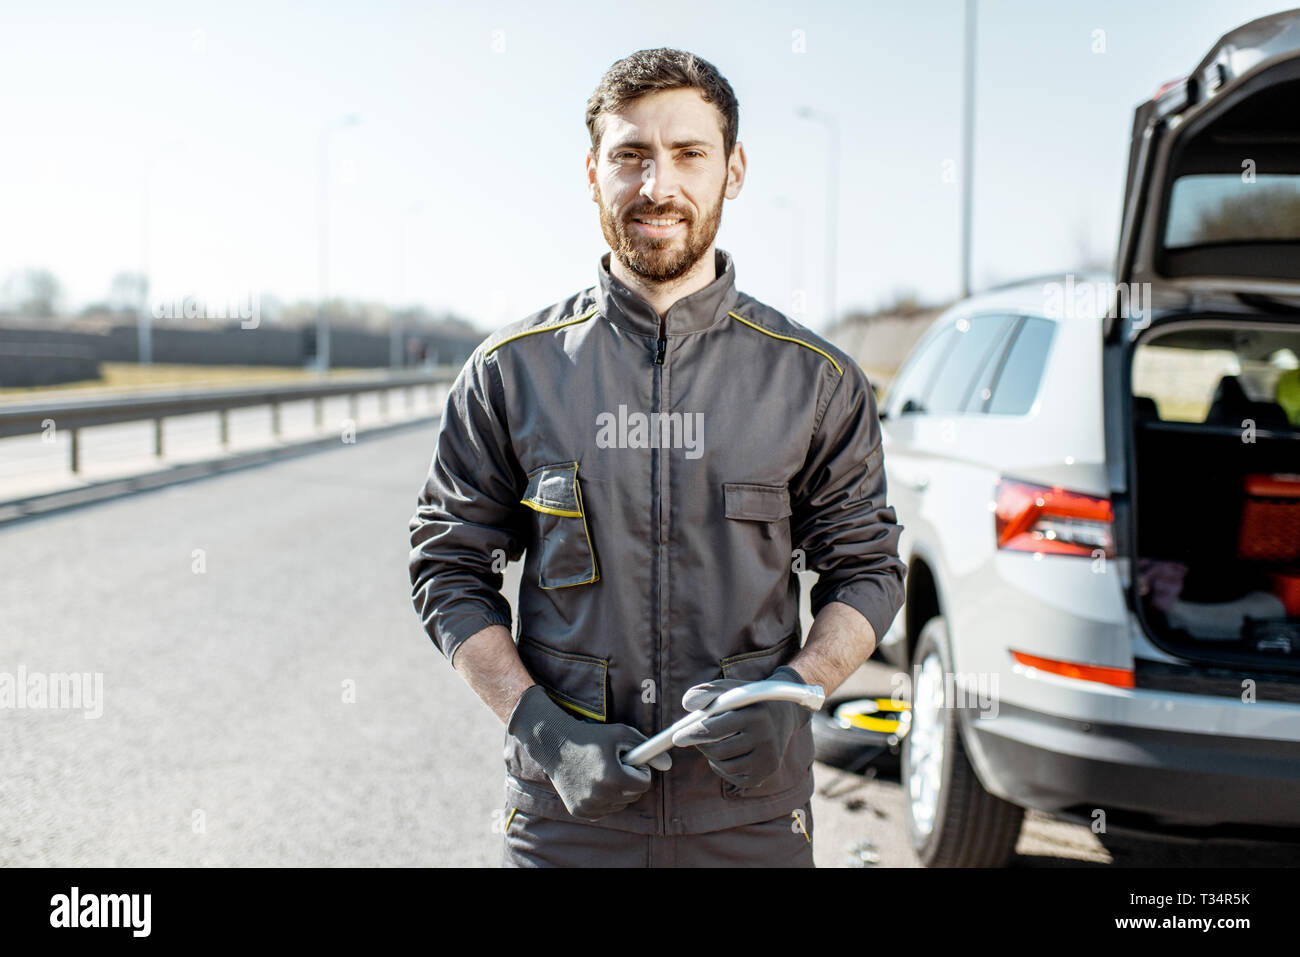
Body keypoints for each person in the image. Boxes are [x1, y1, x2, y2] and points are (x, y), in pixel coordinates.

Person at [408, 47, 906, 867]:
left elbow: (869, 570)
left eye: (688, 154)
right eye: (631, 155)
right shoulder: (510, 373)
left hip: (752, 819)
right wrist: (539, 725)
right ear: (594, 172)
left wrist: (800, 685)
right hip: (567, 820)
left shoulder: (816, 380)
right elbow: (447, 571)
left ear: (733, 169)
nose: (657, 186)